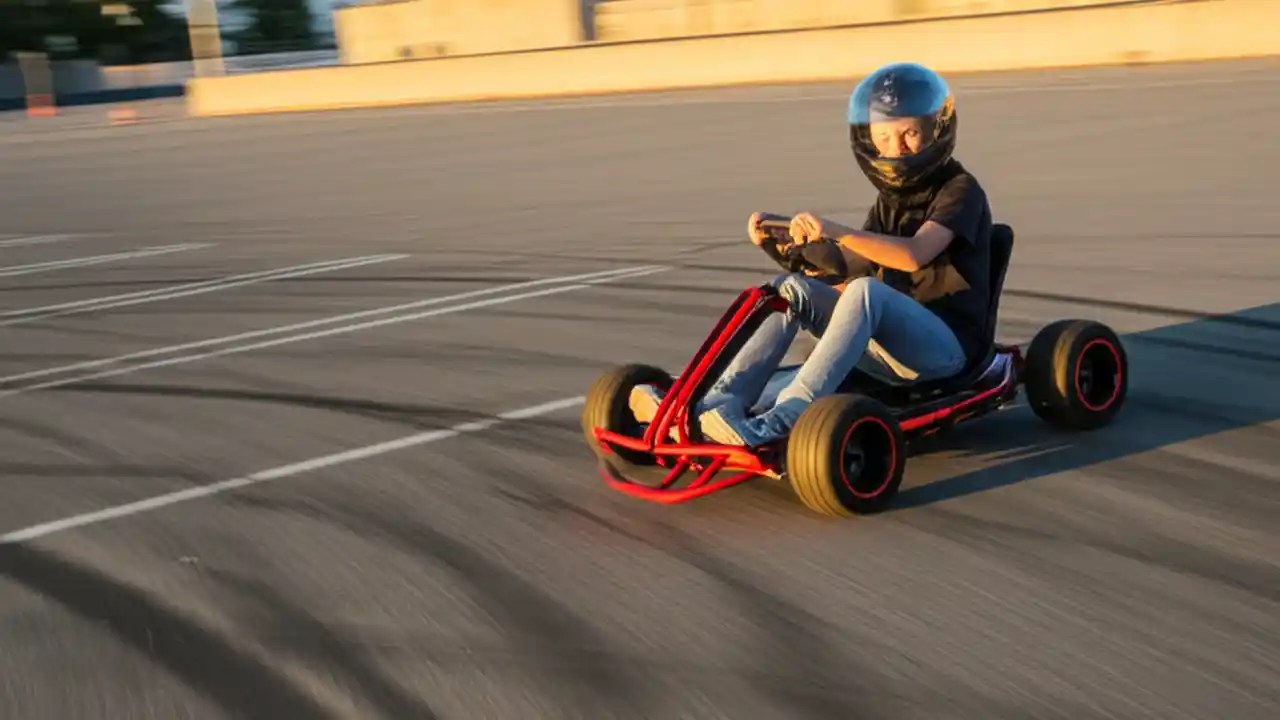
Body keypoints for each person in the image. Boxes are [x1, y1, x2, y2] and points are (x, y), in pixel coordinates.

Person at [632, 62, 995, 447]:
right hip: (890, 344)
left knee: (864, 293)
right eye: (884, 138)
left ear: (935, 130)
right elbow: (852, 266)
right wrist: (786, 243)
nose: (897, 149)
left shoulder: (960, 190)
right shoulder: (891, 201)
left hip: (946, 353)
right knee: (789, 290)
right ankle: (718, 403)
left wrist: (837, 230)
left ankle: (781, 420)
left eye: (909, 134)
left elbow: (913, 255)